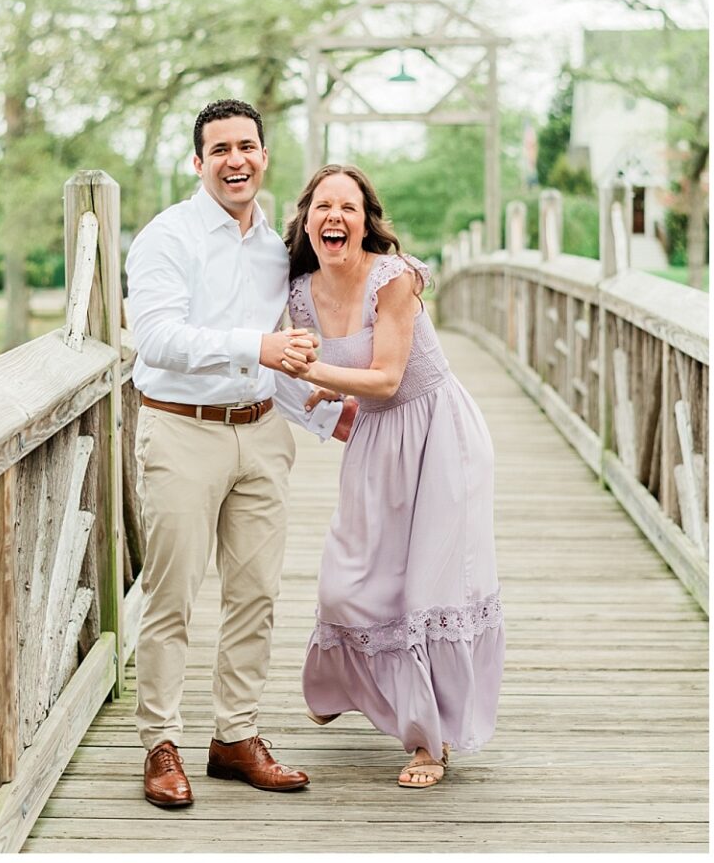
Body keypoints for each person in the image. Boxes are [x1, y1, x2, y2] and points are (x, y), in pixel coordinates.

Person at [127, 99, 355, 809]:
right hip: (180, 429)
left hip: (260, 432)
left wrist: (326, 417)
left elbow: (286, 349)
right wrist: (253, 343)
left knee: (256, 592)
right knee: (171, 596)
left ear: (263, 156)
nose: (235, 159)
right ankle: (160, 742)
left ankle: (235, 736)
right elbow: (157, 338)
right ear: (198, 162)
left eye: (247, 147)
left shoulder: (275, 248)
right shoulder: (166, 237)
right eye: (219, 148)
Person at [279, 164, 504, 789]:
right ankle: (340, 681)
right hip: (377, 439)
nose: (335, 218)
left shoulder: (393, 279)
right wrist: (324, 398)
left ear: (366, 221)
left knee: (427, 590)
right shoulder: (299, 293)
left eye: (349, 208)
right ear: (306, 221)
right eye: (323, 207)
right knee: (346, 577)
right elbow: (305, 371)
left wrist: (320, 380)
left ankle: (430, 744)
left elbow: (385, 378)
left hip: (440, 435)